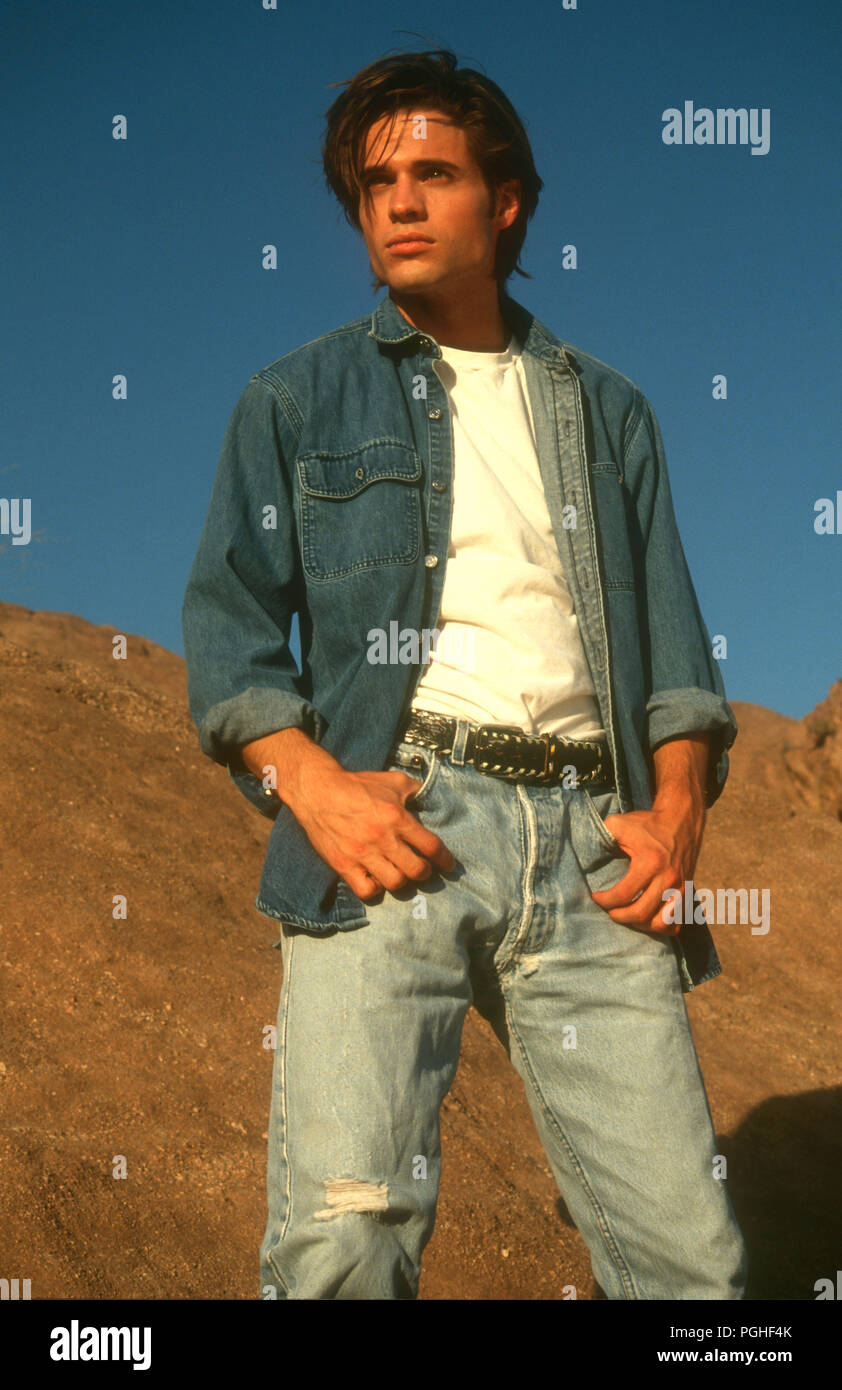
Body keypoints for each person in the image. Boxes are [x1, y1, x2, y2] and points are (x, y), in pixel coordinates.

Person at [181, 48, 748, 1300]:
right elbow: (227, 633)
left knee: (688, 1264)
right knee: (346, 1233)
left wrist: (676, 810)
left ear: (504, 202)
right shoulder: (293, 400)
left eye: (432, 172)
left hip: (592, 849)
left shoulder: (609, 412)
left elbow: (674, 653)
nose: (396, 201)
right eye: (374, 181)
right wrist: (314, 790)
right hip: (399, 823)